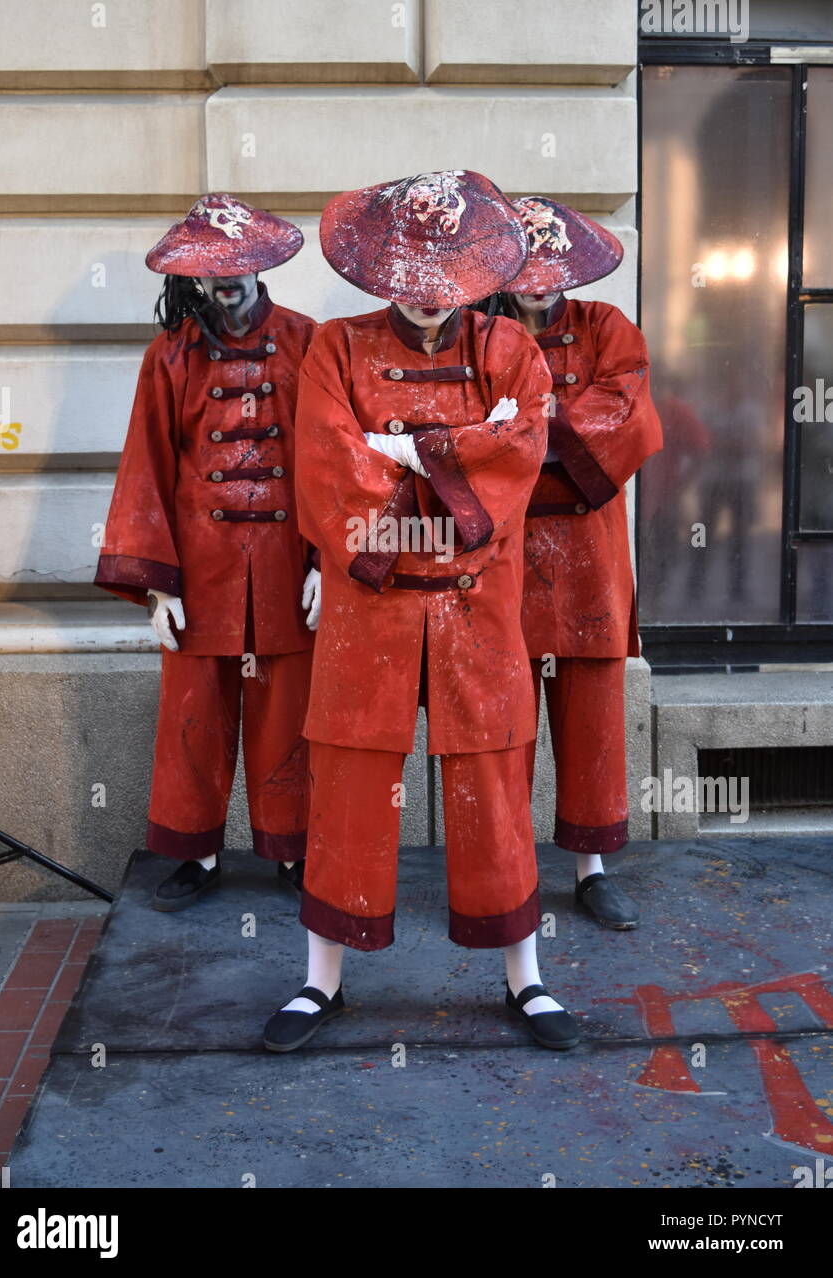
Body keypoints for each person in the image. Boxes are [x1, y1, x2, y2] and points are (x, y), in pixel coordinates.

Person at [263, 169, 581, 1053]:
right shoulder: (334, 347)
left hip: (481, 610)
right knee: (349, 783)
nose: (428, 300)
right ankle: (319, 980)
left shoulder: (513, 350)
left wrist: (401, 447)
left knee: (496, 783)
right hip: (371, 609)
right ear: (386, 270)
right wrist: (456, 452)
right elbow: (328, 472)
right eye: (412, 279)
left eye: (446, 281)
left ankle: (528, 978)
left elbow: (521, 455)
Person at [95, 194, 320, 910]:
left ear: (261, 265)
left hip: (287, 563)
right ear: (193, 276)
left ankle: (291, 851)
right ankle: (201, 855)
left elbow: (330, 462)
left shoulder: (312, 342)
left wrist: (327, 563)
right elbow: (146, 464)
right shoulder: (170, 356)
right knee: (194, 716)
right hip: (201, 569)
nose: (229, 277)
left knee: (287, 711)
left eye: (239, 263)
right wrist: (156, 583)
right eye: (214, 267)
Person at [496, 197, 663, 929]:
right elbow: (465, 433)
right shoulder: (482, 334)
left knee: (593, 714)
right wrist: (543, 440)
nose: (536, 281)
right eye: (523, 266)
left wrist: (526, 434)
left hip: (590, 559)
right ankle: (507, 865)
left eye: (549, 266)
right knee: (503, 717)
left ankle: (592, 870)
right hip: (503, 556)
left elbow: (624, 417)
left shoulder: (608, 330)